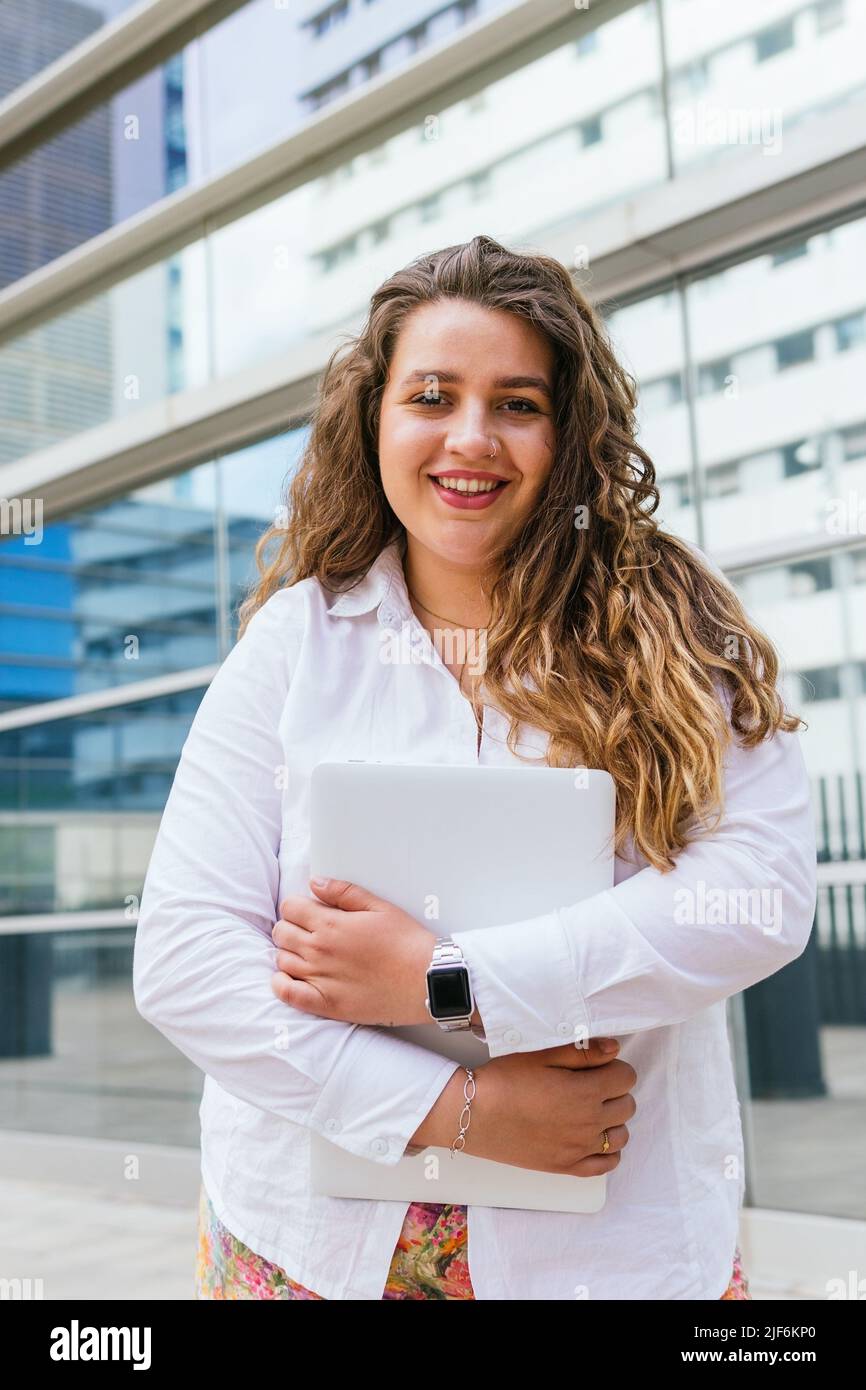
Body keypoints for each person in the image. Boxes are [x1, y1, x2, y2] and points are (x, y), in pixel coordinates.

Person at [133, 234, 817, 1300]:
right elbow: (185, 956)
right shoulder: (293, 645)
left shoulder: (677, 630)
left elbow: (756, 893)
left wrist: (445, 980)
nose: (470, 438)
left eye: (516, 403)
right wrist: (462, 1113)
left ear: (568, 429)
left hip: (608, 1262)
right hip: (303, 1248)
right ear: (375, 421)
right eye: (432, 396)